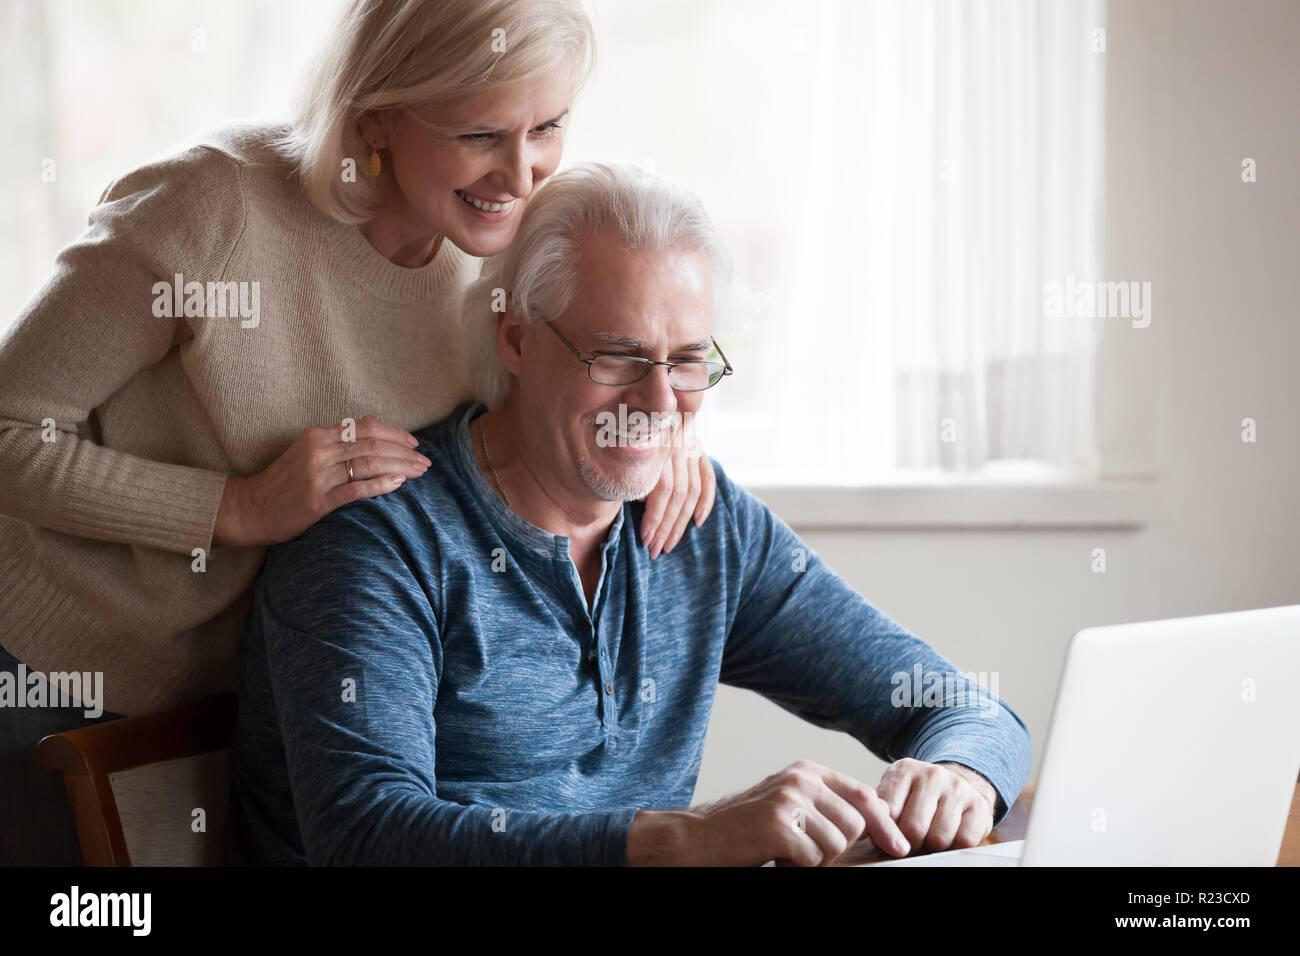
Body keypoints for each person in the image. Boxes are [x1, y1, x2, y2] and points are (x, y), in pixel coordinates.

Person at [0, 0, 714, 867]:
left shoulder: (498, 246)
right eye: (480, 134)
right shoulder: (211, 208)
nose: (522, 176)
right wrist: (234, 507)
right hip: (54, 668)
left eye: (547, 128)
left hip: (256, 688)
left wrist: (659, 431)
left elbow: (576, 369)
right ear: (376, 115)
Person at [229, 161, 1033, 866]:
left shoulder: (700, 526)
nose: (657, 403)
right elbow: (367, 836)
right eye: (617, 355)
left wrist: (960, 774)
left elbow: (960, 707)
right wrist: (683, 837)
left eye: (687, 361)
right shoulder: (377, 541)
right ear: (513, 337)